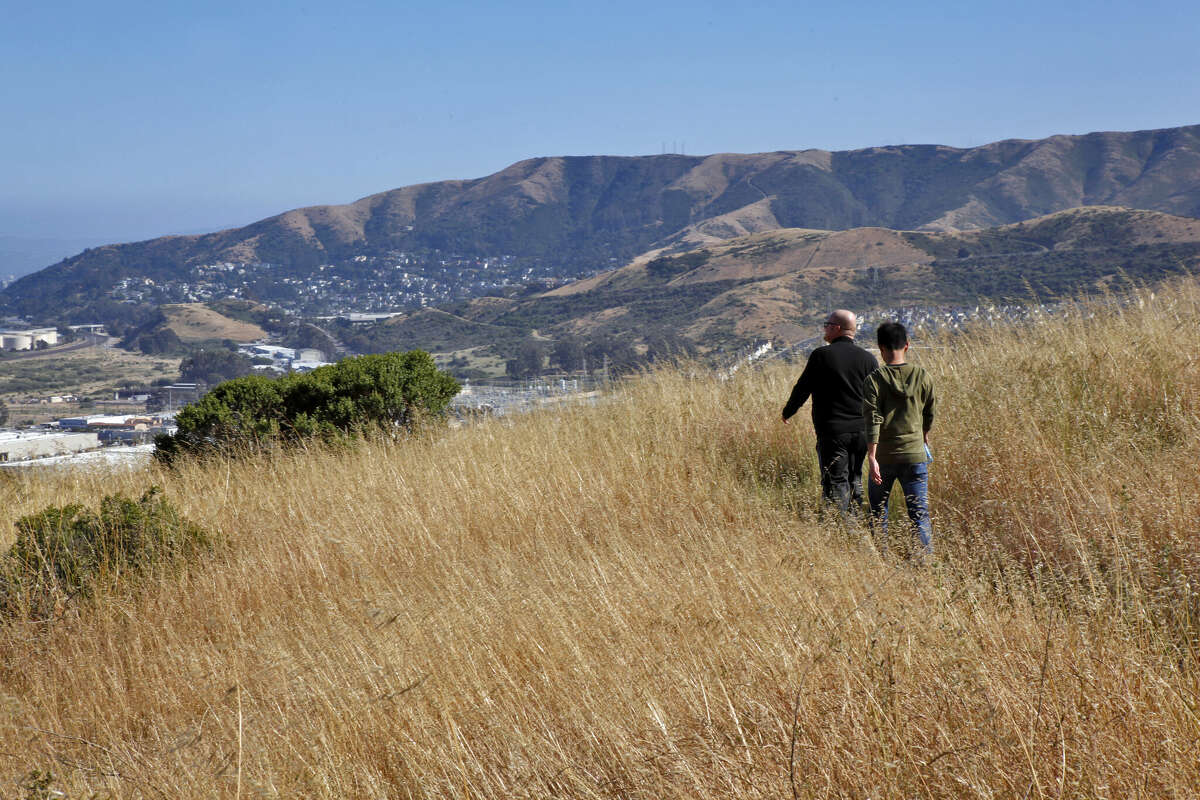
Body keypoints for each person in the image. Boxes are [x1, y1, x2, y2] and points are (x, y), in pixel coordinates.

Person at [781, 309, 878, 517]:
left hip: (833, 432)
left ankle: (840, 527)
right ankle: (856, 518)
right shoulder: (869, 359)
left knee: (835, 481)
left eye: (827, 325)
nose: (824, 329)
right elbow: (875, 397)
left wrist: (788, 411)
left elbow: (803, 387)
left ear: (837, 328)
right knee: (855, 478)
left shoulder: (821, 355)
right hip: (862, 432)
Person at [863, 321, 936, 557]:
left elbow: (873, 419)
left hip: (884, 456)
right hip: (915, 454)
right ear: (907, 345)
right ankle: (925, 563)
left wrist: (872, 456)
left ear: (881, 348)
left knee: (877, 512)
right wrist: (924, 436)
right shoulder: (922, 376)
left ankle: (881, 559)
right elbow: (929, 413)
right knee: (919, 515)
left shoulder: (874, 380)